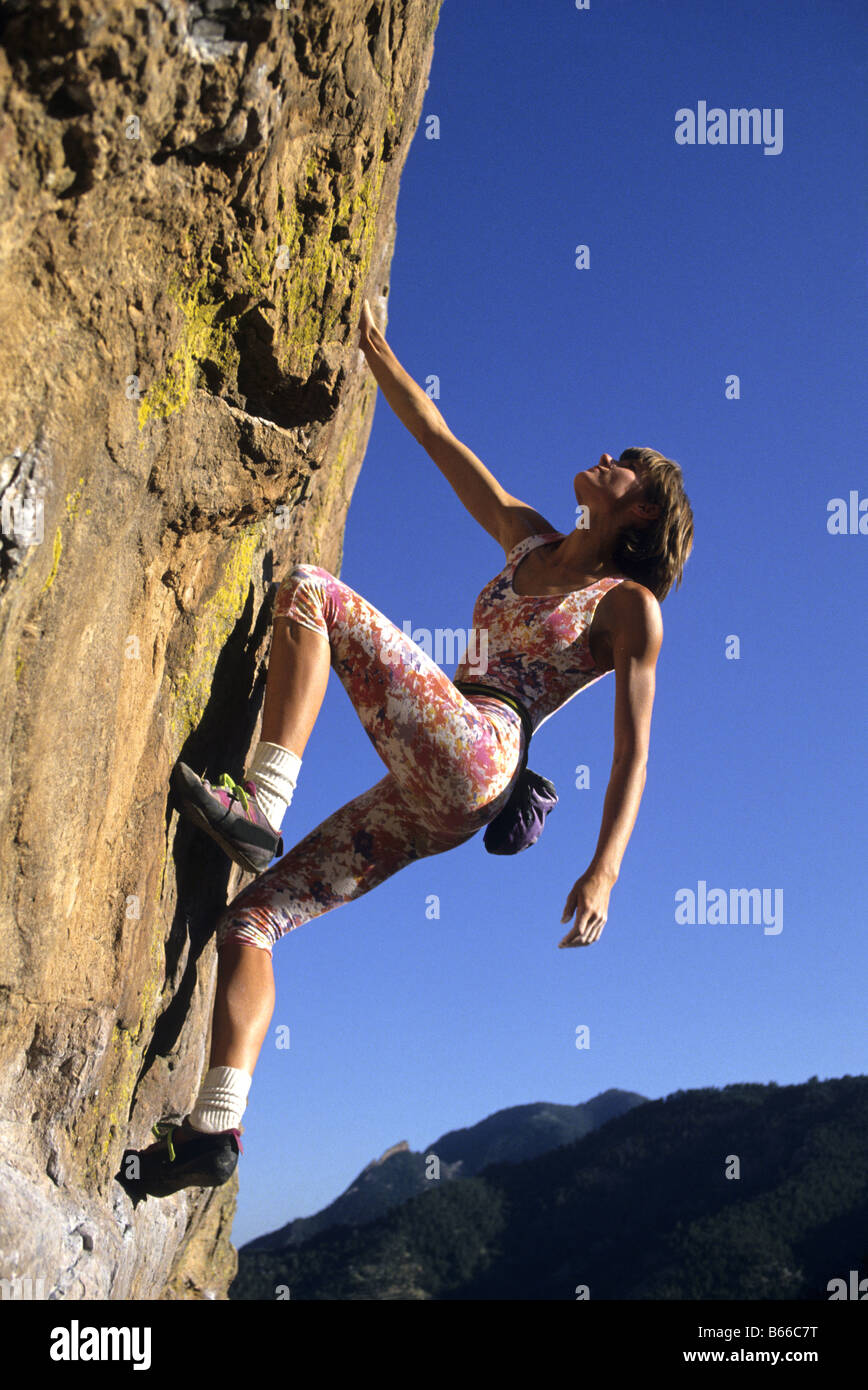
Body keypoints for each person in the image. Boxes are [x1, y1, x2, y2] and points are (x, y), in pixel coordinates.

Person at [122, 300, 693, 1198]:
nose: (606, 457)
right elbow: (442, 444)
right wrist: (374, 349)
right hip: (439, 793)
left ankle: (261, 805)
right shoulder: (530, 537)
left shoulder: (628, 606)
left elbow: (633, 752)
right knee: (250, 922)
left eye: (625, 466)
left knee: (312, 593)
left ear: (643, 509)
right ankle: (213, 1128)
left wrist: (604, 873)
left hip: (481, 748)